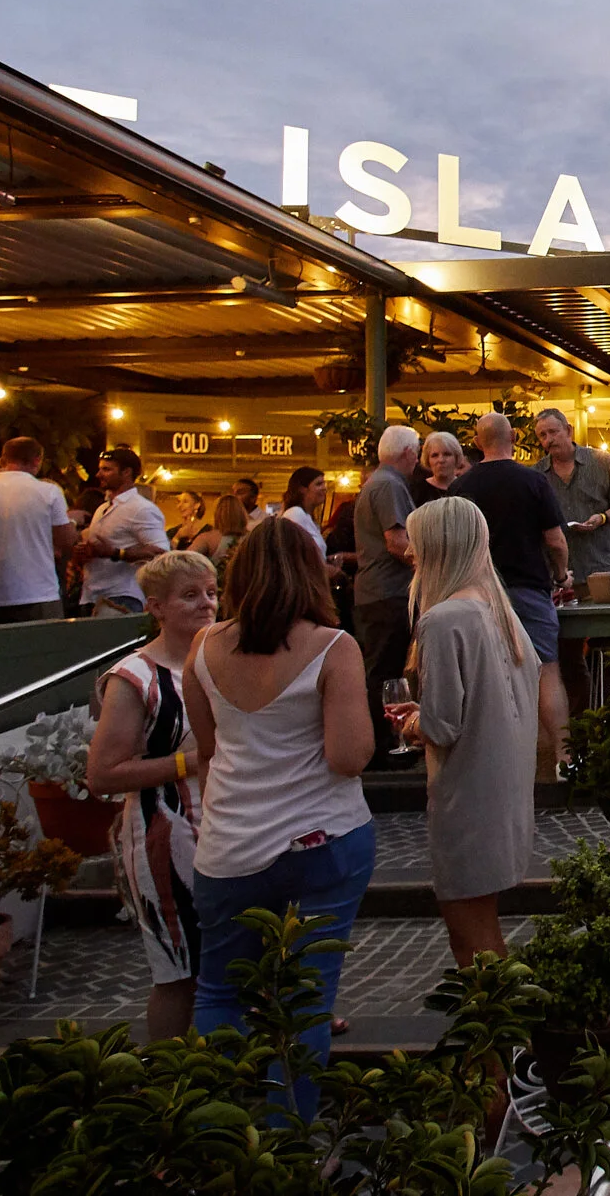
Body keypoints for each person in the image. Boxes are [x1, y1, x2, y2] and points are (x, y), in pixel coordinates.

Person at [182, 516, 375, 1116]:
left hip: (228, 843)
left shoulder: (203, 647)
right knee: (305, 996)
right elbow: (348, 757)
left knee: (219, 990)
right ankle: (290, 1137)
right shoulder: (333, 648)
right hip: (321, 839)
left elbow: (208, 748)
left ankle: (211, 1133)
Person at [389, 495, 537, 965]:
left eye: (416, 542)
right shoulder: (499, 610)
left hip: (467, 797)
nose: (409, 552)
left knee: (471, 942)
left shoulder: (442, 619)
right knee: (483, 934)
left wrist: (413, 722)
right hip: (504, 790)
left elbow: (442, 726)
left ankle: (499, 1015)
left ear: (438, 546)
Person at [87, 548, 215, 1041]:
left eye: (211, 592)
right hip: (166, 834)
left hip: (234, 829)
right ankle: (168, 1076)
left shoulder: (223, 662)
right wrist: (190, 762)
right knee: (179, 970)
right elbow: (102, 774)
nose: (206, 603)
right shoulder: (134, 677)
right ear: (156, 606)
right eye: (190, 595)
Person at [448, 412, 572, 769]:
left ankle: (492, 761)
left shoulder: (460, 488)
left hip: (476, 592)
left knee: (483, 676)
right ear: (514, 437)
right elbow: (555, 540)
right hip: (528, 587)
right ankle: (564, 758)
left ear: (476, 443)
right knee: (546, 671)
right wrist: (561, 575)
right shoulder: (533, 481)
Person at [354, 425, 419, 754]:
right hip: (387, 592)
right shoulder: (389, 485)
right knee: (385, 673)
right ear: (408, 452)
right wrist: (429, 564)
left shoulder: (377, 482)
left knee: (383, 669)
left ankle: (383, 742)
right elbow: (396, 542)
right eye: (417, 453)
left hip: (378, 592)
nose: (418, 460)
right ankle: (382, 745)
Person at [0, 436, 77, 624]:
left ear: (3, 459)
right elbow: (67, 541)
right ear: (37, 460)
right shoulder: (49, 492)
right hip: (39, 594)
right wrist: (73, 524)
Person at [532, 408, 610, 583]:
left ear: (568, 430)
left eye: (553, 432)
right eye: (542, 435)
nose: (549, 439)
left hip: (599, 566)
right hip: (558, 574)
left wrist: (602, 518)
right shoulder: (537, 474)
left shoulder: (602, 462)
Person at [72, 448, 169, 617]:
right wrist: (84, 553)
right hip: (91, 596)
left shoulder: (141, 508)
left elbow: (161, 553)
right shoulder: (103, 508)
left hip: (122, 597)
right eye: (100, 469)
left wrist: (116, 553)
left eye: (106, 469)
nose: (99, 475)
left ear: (126, 472)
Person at [188, 493, 251, 573]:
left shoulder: (208, 538)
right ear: (242, 513)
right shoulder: (252, 538)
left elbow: (184, 561)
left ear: (217, 514)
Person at [410, 432, 466, 507]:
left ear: (456, 457)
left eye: (447, 454)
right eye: (435, 455)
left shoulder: (466, 489)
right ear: (427, 460)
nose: (441, 460)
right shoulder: (417, 491)